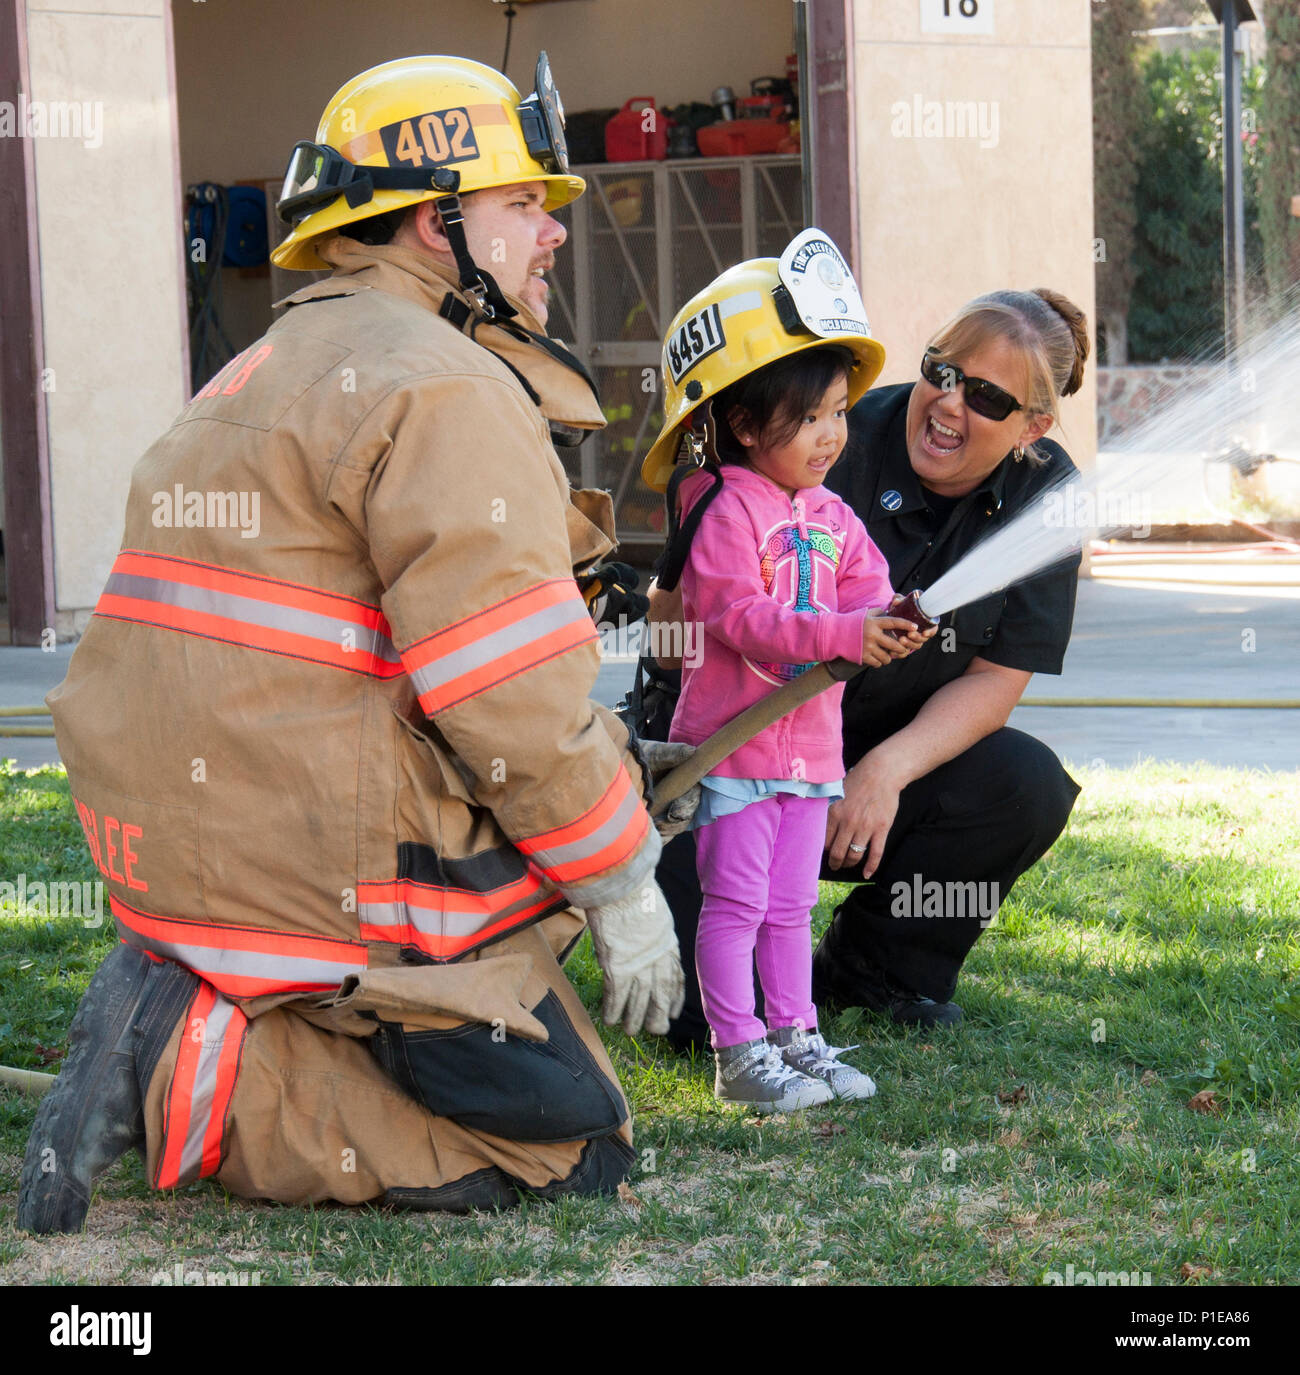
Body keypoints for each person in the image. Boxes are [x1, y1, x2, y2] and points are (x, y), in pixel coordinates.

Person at [18, 52, 689, 1235]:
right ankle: (200, 1065)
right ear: (438, 223)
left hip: (191, 860)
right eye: (522, 204)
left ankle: (198, 999)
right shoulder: (446, 385)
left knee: (532, 1052)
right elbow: (509, 698)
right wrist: (623, 877)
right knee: (572, 1148)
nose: (553, 235)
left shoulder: (254, 369)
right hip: (317, 874)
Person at [639, 286, 1089, 1044]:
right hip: (728, 749)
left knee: (1024, 781)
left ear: (1033, 427)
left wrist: (883, 772)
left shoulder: (1048, 500)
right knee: (697, 1022)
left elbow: (995, 679)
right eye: (939, 372)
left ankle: (876, 967)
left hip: (860, 758)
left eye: (983, 395)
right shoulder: (824, 433)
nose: (947, 404)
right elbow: (680, 614)